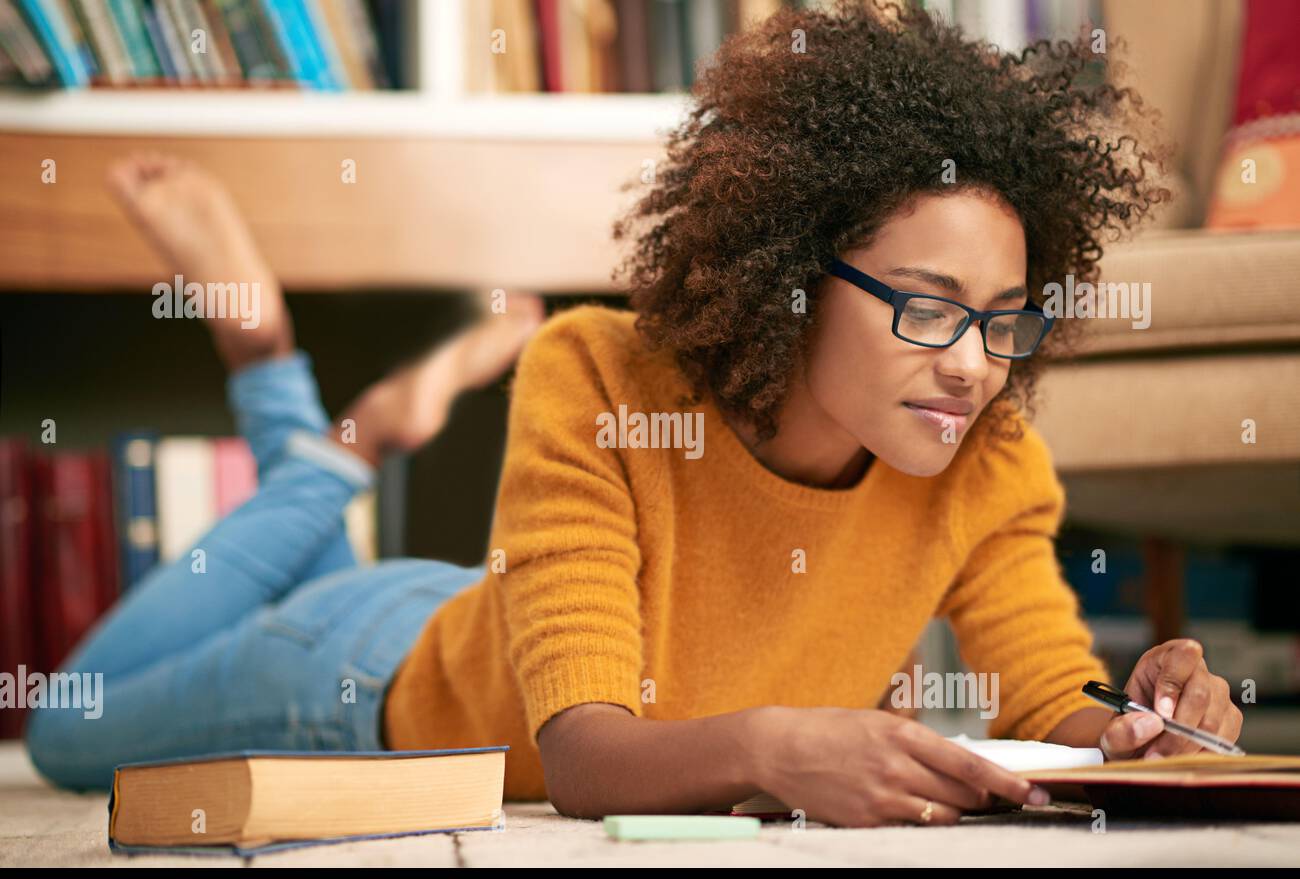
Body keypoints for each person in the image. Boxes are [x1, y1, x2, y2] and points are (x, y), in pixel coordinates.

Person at [26, 0, 1241, 827]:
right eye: (926, 309)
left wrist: (1139, 724)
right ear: (790, 277)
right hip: (353, 677)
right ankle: (300, 425)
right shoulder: (600, 379)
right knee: (61, 742)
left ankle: (331, 446)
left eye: (1004, 318)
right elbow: (583, 761)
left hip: (488, 605)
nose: (974, 366)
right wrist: (776, 750)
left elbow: (1043, 702)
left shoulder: (986, 460)